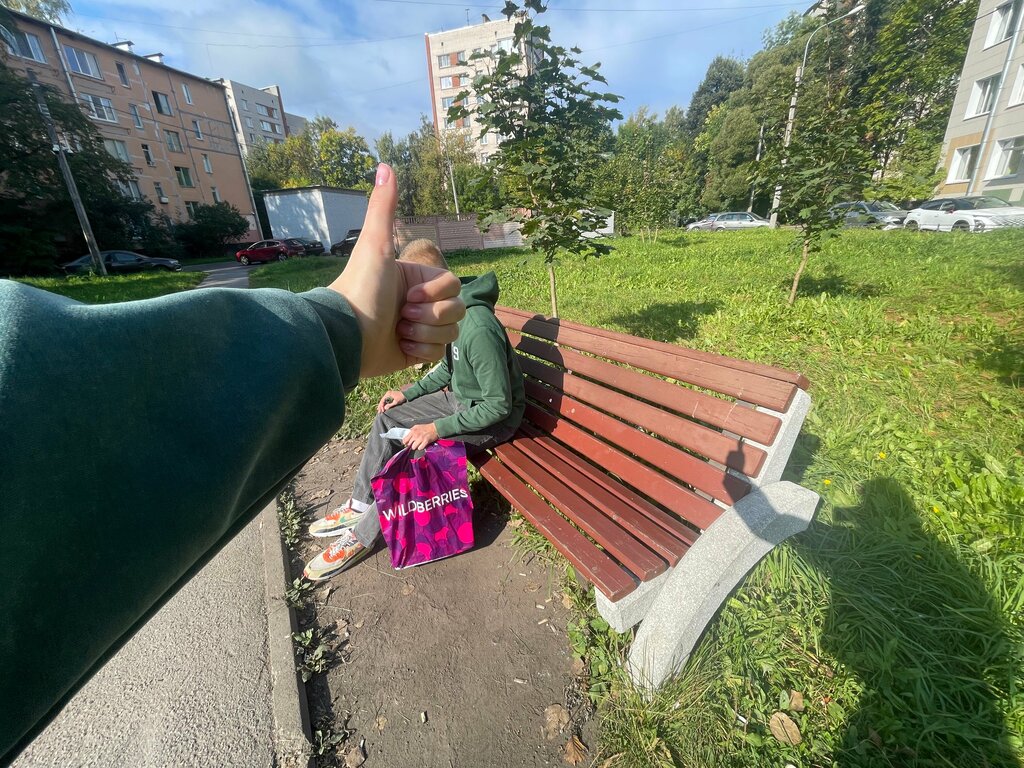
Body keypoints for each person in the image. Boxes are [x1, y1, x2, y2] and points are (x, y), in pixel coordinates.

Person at [0, 164, 466, 766]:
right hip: (385, 372)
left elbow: (488, 397)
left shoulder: (471, 319)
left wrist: (416, 401)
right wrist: (344, 338)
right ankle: (360, 507)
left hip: (472, 419)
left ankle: (364, 527)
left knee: (399, 436)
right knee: (386, 421)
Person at [303, 239, 526, 581]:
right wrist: (407, 394)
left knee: (417, 449)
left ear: (430, 282)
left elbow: (498, 405)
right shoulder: (452, 310)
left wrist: (436, 429)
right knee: (387, 418)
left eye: (411, 289)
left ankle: (360, 538)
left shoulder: (478, 327)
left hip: (494, 419)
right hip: (463, 401)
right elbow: (449, 371)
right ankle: (360, 506)